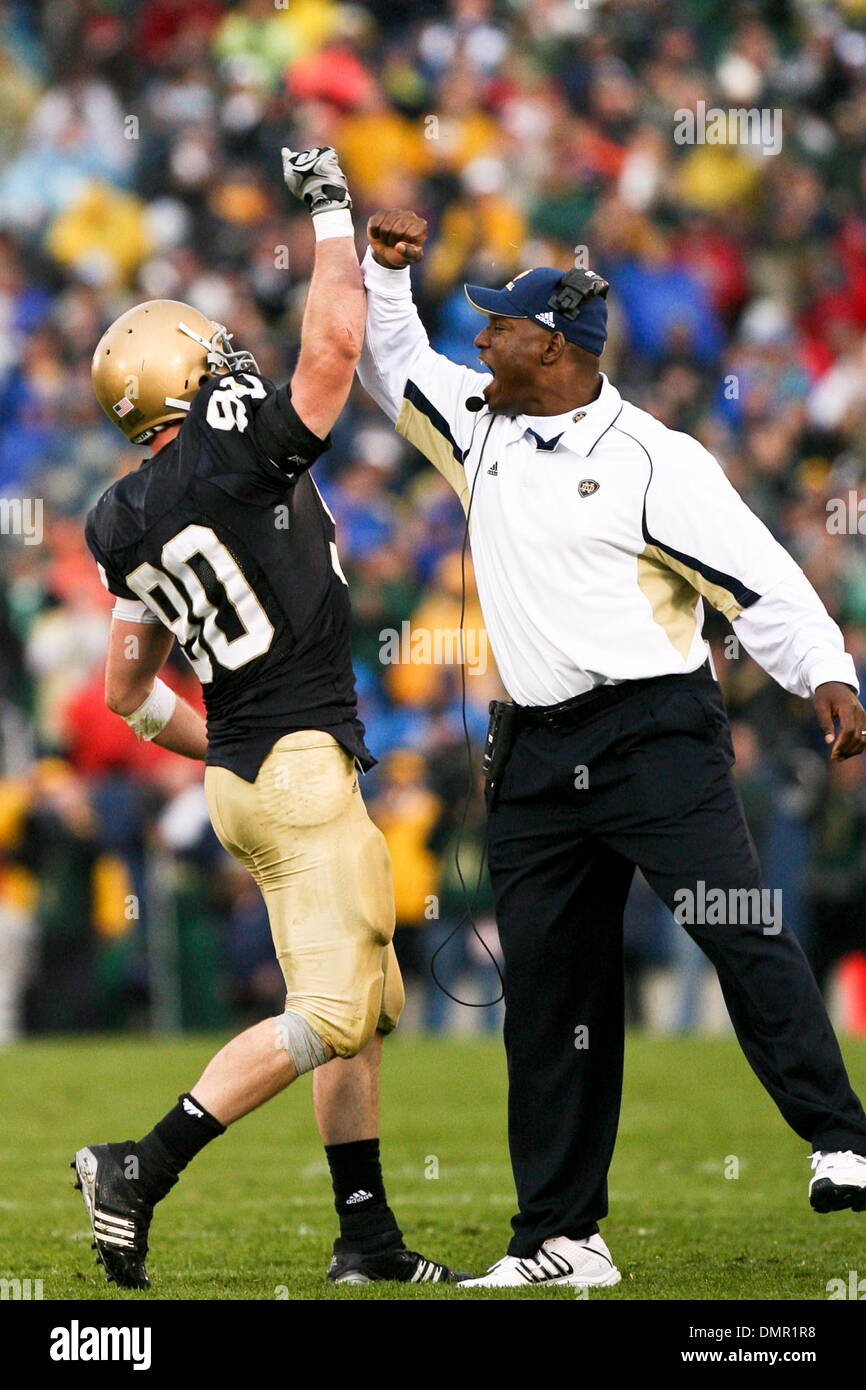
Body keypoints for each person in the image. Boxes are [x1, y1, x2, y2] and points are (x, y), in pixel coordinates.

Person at [356, 207, 866, 1289]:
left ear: (553, 344)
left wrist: (825, 670)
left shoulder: (654, 460)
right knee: (548, 998)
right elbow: (391, 362)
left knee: (738, 927)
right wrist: (382, 274)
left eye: (497, 327)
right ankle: (558, 1239)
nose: (479, 340)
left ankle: (842, 1138)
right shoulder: (480, 418)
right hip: (532, 753)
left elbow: (759, 575)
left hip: (653, 734)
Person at [72, 153, 461, 1290]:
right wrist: (331, 211)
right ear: (182, 375)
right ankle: (138, 1165)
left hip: (247, 774)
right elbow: (332, 348)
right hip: (291, 769)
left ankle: (366, 1237)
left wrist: (229, 744)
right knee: (334, 1011)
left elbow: (125, 693)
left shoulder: (117, 517)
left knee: (367, 1002)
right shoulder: (227, 449)